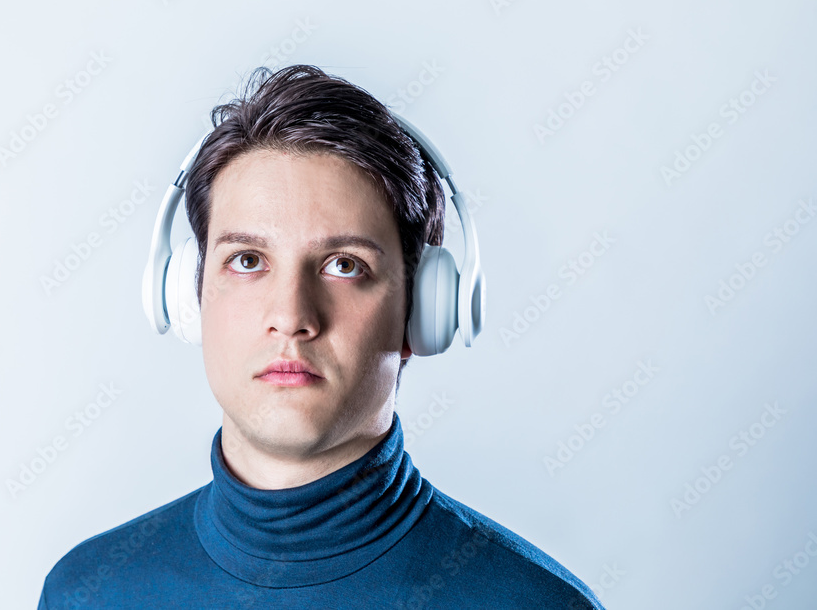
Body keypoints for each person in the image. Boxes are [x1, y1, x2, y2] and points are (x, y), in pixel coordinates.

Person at [36, 65, 604, 609]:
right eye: (248, 260)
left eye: (344, 265)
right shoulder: (86, 594)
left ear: (423, 312)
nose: (291, 316)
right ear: (188, 298)